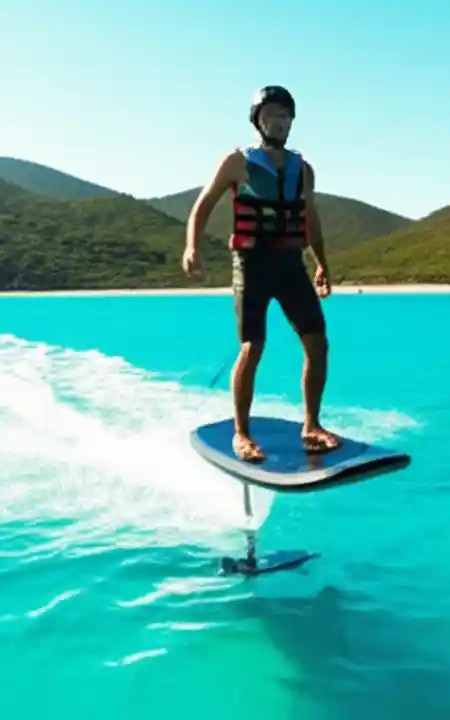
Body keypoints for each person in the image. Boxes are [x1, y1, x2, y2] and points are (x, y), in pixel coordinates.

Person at [182, 85, 341, 463]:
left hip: (290, 265)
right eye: (271, 114)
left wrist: (322, 264)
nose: (279, 121)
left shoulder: (303, 169)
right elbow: (204, 204)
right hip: (252, 265)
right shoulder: (238, 161)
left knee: (318, 344)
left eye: (285, 115)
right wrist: (192, 247)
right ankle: (242, 433)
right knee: (252, 349)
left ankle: (312, 426)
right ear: (257, 120)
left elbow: (311, 219)